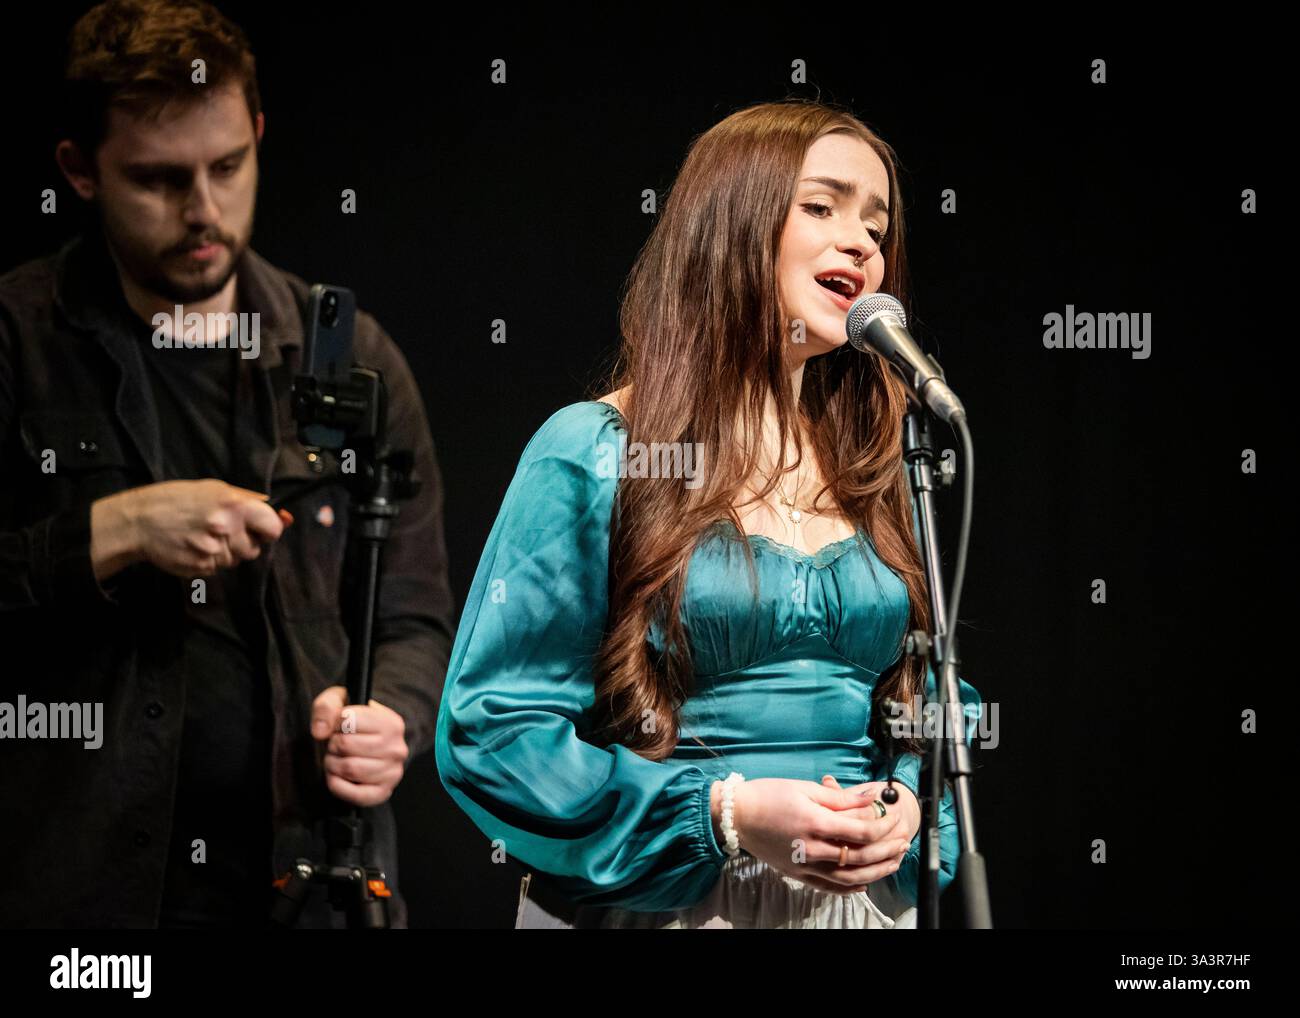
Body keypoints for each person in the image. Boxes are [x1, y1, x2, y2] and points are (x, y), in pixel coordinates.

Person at [435, 99, 981, 929]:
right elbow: (493, 731)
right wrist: (728, 813)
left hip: (857, 910)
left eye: (877, 224)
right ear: (733, 222)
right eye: (823, 206)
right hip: (668, 906)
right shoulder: (594, 450)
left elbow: (933, 685)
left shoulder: (880, 469)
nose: (863, 242)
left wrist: (910, 795)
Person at [0, 0, 455, 928]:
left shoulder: (352, 356)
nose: (203, 212)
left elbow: (416, 615)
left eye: (227, 167)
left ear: (256, 132)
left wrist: (390, 720)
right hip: (82, 900)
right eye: (159, 180)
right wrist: (114, 531)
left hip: (306, 892)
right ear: (78, 172)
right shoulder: (17, 340)